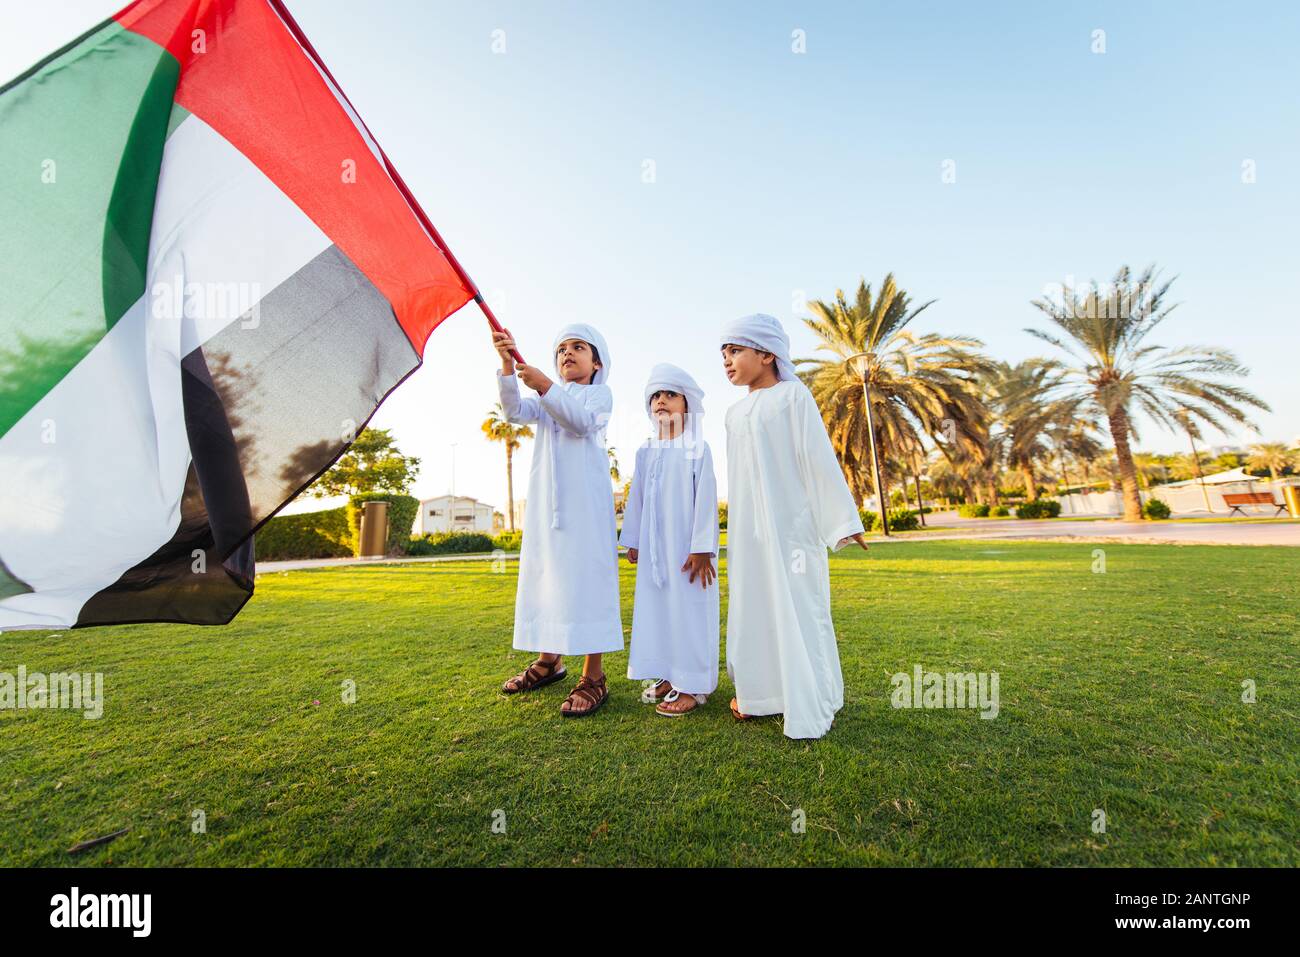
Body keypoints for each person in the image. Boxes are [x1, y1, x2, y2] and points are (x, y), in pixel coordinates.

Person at [719, 313, 868, 739]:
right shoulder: (733, 412)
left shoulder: (793, 397)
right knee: (755, 606)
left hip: (792, 532)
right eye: (723, 354)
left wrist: (842, 520)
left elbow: (817, 459)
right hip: (749, 533)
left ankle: (811, 697)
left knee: (800, 607)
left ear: (767, 353)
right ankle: (761, 696)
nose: (727, 361)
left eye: (735, 351)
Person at [493, 323, 622, 716]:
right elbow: (513, 411)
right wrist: (505, 363)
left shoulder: (598, 394)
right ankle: (550, 662)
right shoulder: (551, 395)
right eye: (561, 348)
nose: (567, 353)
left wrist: (545, 385)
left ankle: (594, 676)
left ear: (596, 361)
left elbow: (580, 421)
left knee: (586, 580)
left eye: (578, 347)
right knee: (548, 577)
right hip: (546, 507)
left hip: (585, 506)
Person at [619, 363, 720, 717]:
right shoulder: (645, 452)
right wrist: (632, 540)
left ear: (686, 404)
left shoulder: (696, 448)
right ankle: (667, 675)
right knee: (658, 611)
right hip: (653, 552)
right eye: (656, 396)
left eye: (670, 395)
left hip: (688, 553)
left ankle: (692, 684)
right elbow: (638, 498)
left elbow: (705, 499)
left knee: (688, 612)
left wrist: (702, 548)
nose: (661, 401)